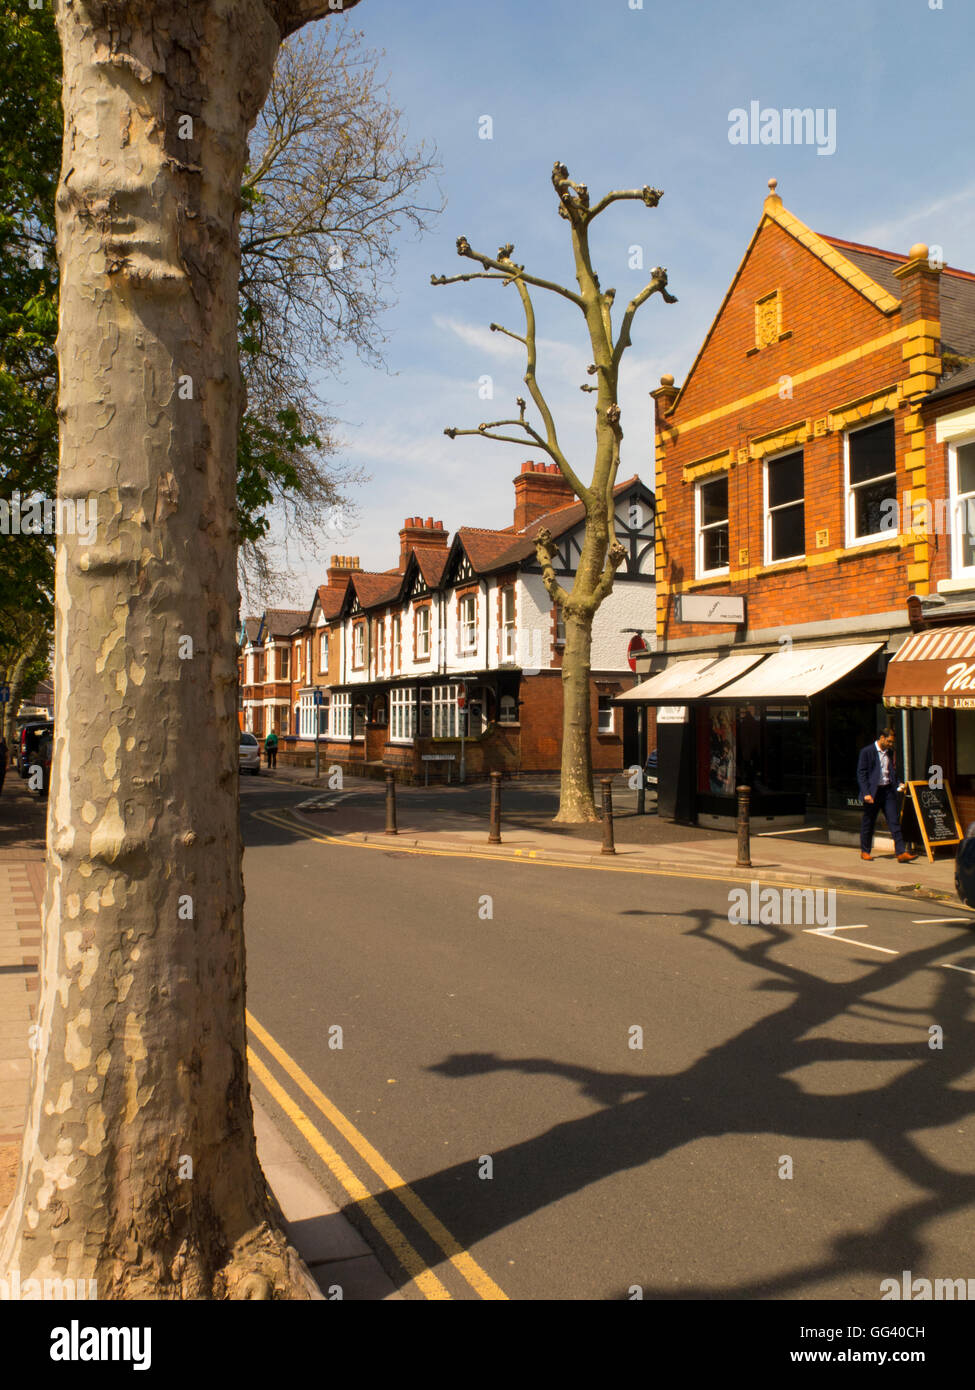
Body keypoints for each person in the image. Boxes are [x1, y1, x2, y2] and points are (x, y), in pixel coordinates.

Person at [856, 726, 915, 862]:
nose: (890, 744)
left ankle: (900, 852)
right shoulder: (867, 752)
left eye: (892, 742)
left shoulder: (889, 752)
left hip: (887, 790)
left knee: (894, 821)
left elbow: (892, 771)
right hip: (872, 792)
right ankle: (865, 851)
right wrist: (866, 793)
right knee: (868, 823)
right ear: (882, 738)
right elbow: (861, 774)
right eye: (889, 741)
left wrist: (898, 783)